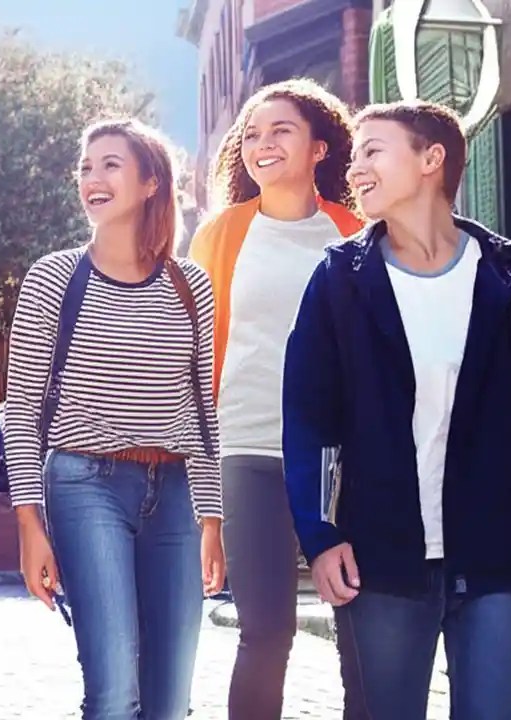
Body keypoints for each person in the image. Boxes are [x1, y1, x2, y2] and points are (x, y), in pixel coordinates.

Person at [282, 99, 511, 719]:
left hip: (496, 553)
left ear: (431, 159)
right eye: (356, 155)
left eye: (373, 150)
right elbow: (309, 418)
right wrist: (320, 534)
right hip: (383, 556)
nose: (356, 167)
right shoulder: (340, 280)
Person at [5, 118, 225, 718]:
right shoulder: (55, 278)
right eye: (86, 167)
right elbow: (21, 408)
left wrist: (213, 517)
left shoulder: (191, 285)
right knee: (112, 692)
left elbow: (203, 411)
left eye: (110, 165)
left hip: (177, 492)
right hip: (84, 485)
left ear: (152, 182)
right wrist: (30, 526)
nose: (92, 179)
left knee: (170, 698)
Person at [186, 78, 362, 719]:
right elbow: (194, 358)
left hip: (339, 459)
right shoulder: (221, 234)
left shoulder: (355, 231)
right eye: (253, 133)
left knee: (357, 628)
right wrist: (207, 512)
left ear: (319, 147)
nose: (263, 144)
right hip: (245, 449)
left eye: (280, 130)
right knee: (265, 633)